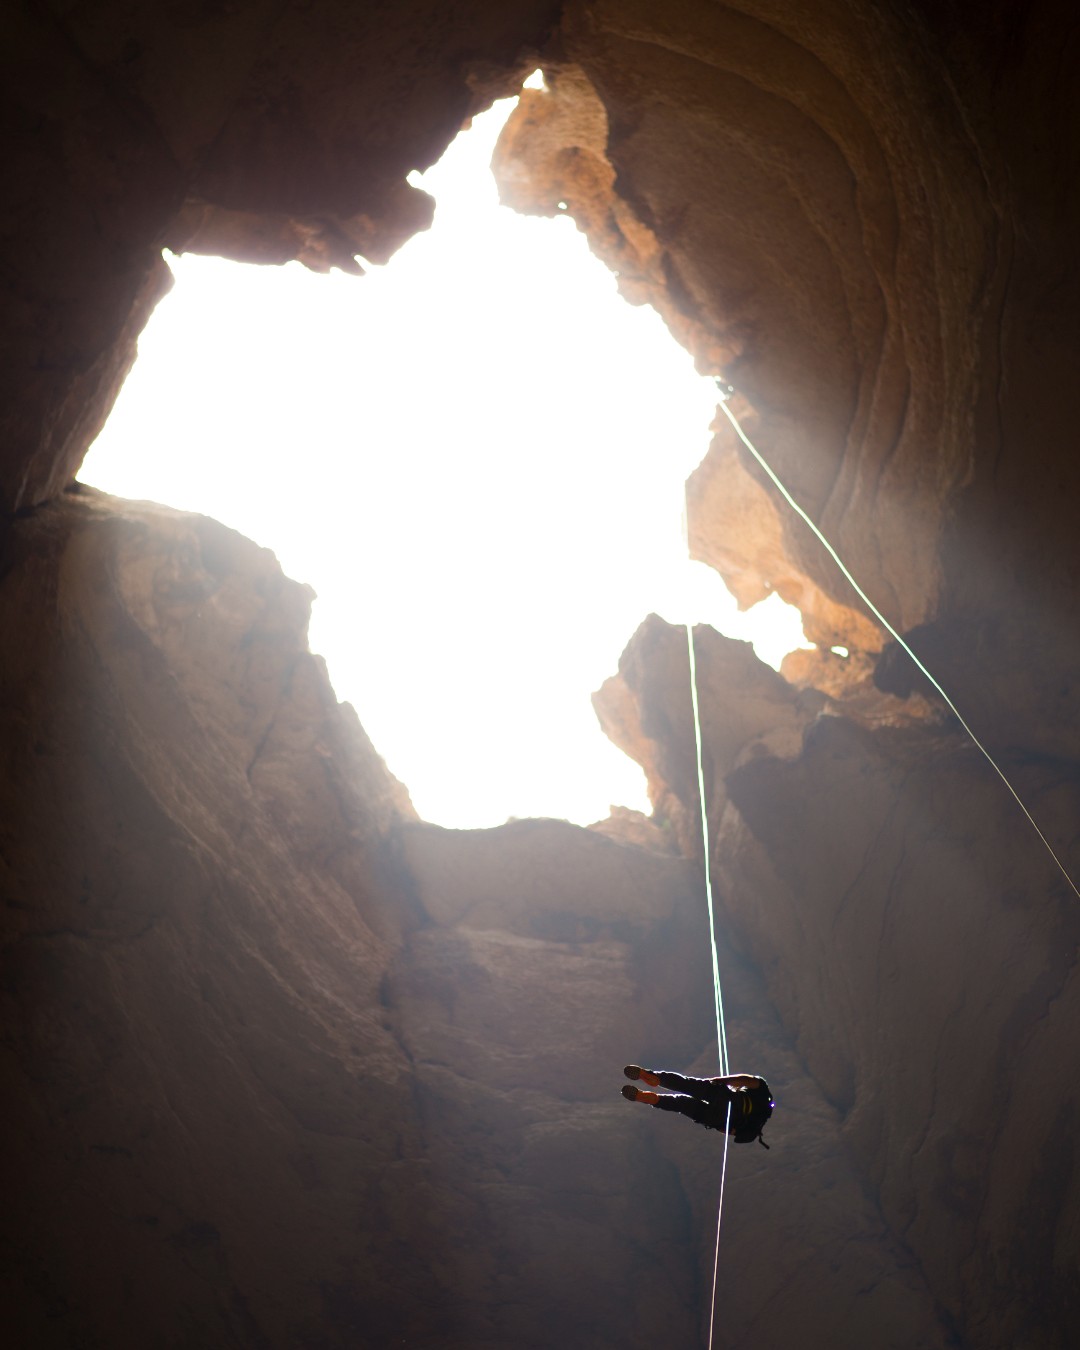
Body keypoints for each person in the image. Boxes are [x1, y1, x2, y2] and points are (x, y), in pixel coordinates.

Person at [621, 1065, 774, 1148]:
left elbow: (745, 1080)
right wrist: (717, 1123)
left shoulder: (763, 1089)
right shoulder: (754, 1125)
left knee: (686, 1084)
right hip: (717, 1119)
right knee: (680, 1103)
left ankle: (655, 1077)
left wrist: (719, 1081)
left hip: (725, 1098)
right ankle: (652, 1099)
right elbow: (729, 1131)